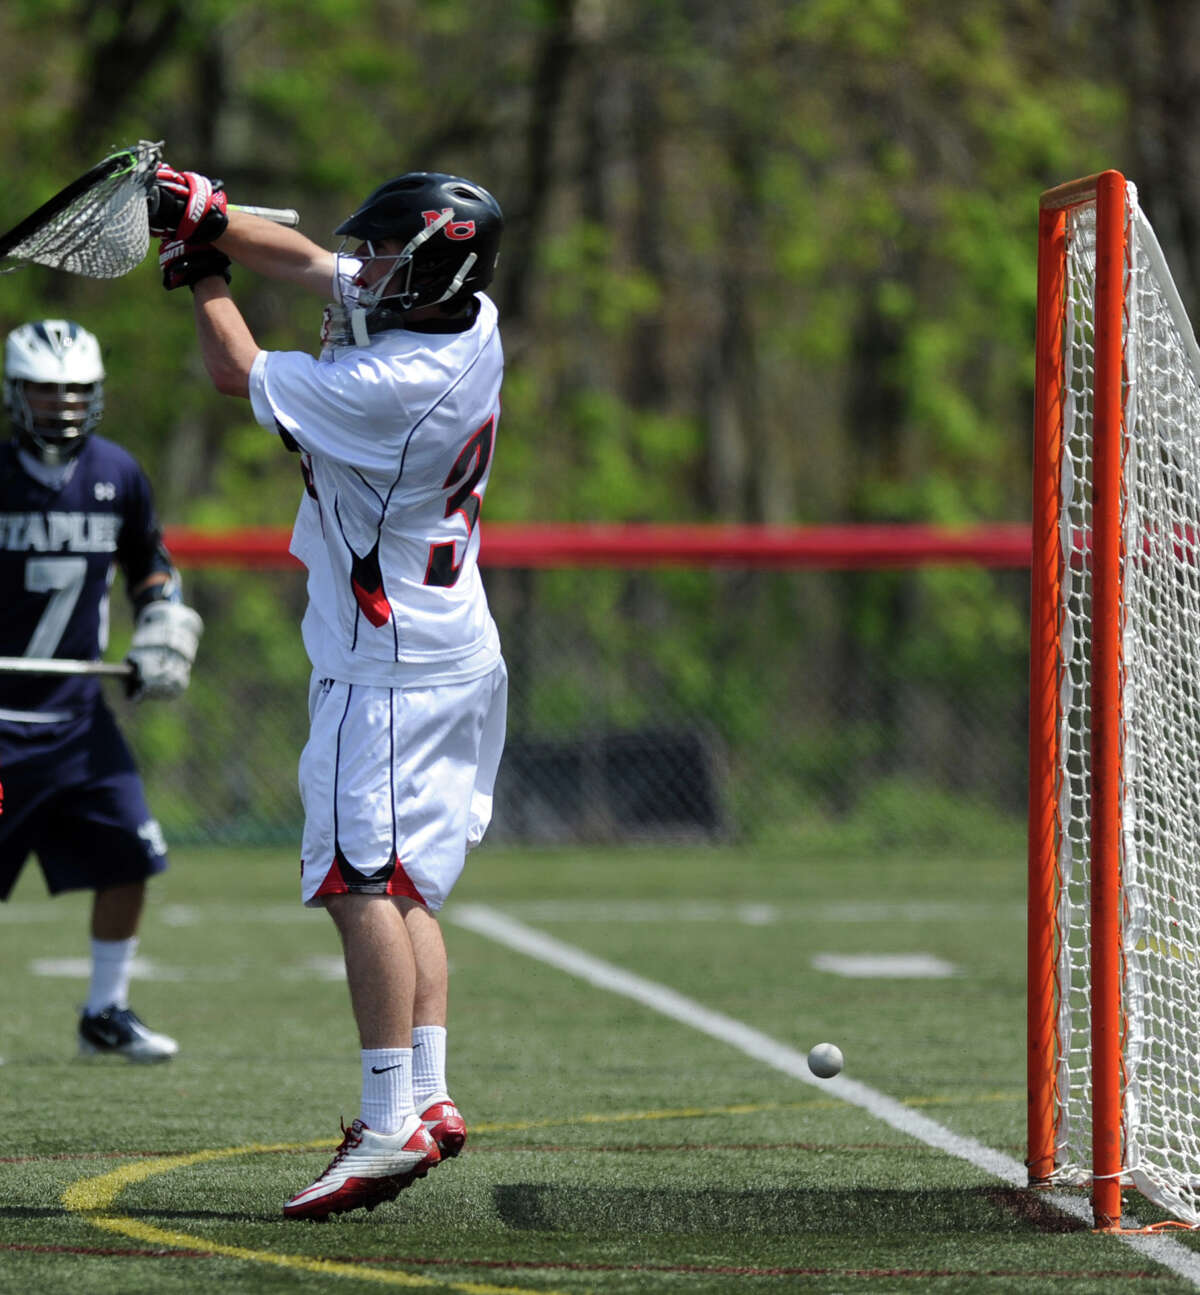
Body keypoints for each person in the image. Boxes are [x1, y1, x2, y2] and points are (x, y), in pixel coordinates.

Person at [149, 166, 508, 1219]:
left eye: (388, 255)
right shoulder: (470, 317)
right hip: (452, 647)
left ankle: (387, 1121)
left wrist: (200, 268)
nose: (365, 270)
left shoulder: (392, 387)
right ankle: (430, 1092)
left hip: (383, 667)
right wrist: (211, 214)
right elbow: (315, 263)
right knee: (406, 885)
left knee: (359, 884)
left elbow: (236, 370)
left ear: (430, 268)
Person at [0, 318, 203, 1063]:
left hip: (79, 721)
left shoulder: (118, 471)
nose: (61, 404)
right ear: (15, 392)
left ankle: (104, 1013)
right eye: (46, 389)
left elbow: (150, 563)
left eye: (75, 390)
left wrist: (160, 621)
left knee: (130, 855)